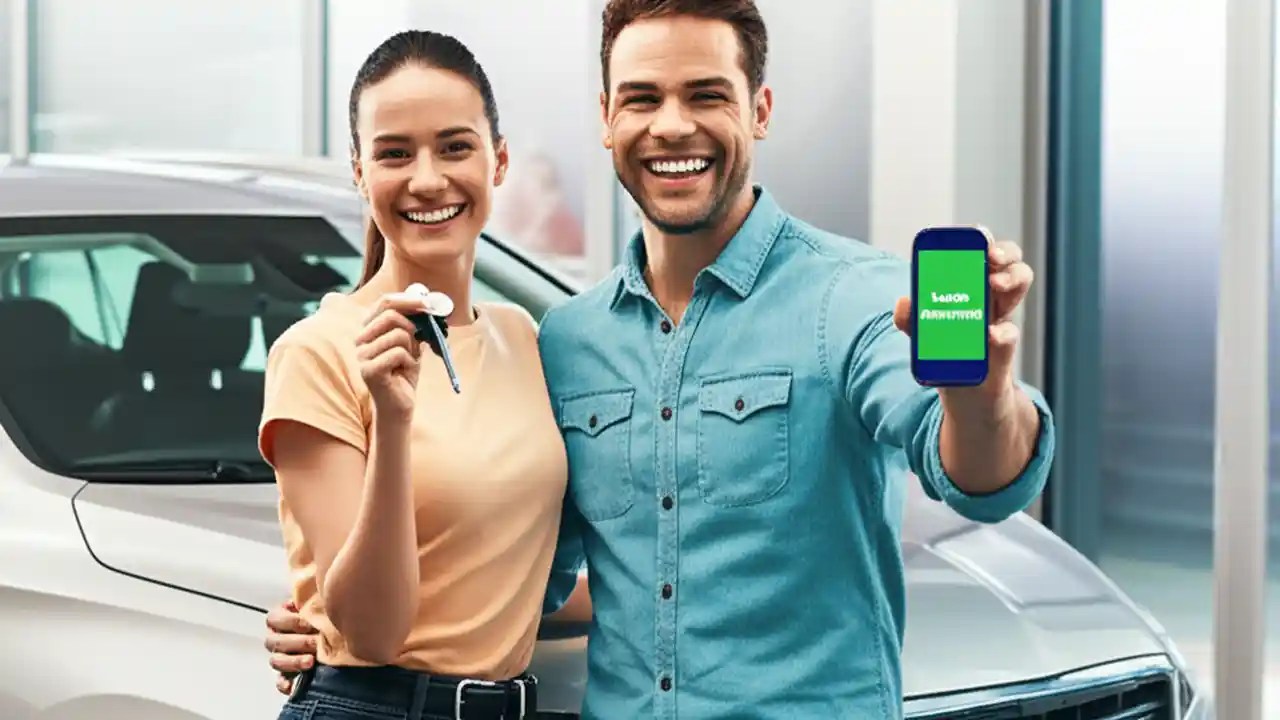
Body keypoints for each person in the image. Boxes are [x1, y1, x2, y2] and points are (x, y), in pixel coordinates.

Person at [263, 1, 1057, 718]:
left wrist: (982, 395)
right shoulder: (570, 340)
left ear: (761, 110)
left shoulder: (854, 299)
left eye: (706, 94)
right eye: (643, 98)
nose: (672, 125)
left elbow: (979, 480)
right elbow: (543, 572)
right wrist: (327, 621)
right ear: (607, 118)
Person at [258, 29, 588, 720]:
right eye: (394, 153)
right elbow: (373, 633)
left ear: (498, 161)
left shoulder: (522, 337)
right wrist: (393, 419)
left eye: (455, 145)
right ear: (359, 172)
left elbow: (510, 586)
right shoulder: (318, 352)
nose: (428, 178)